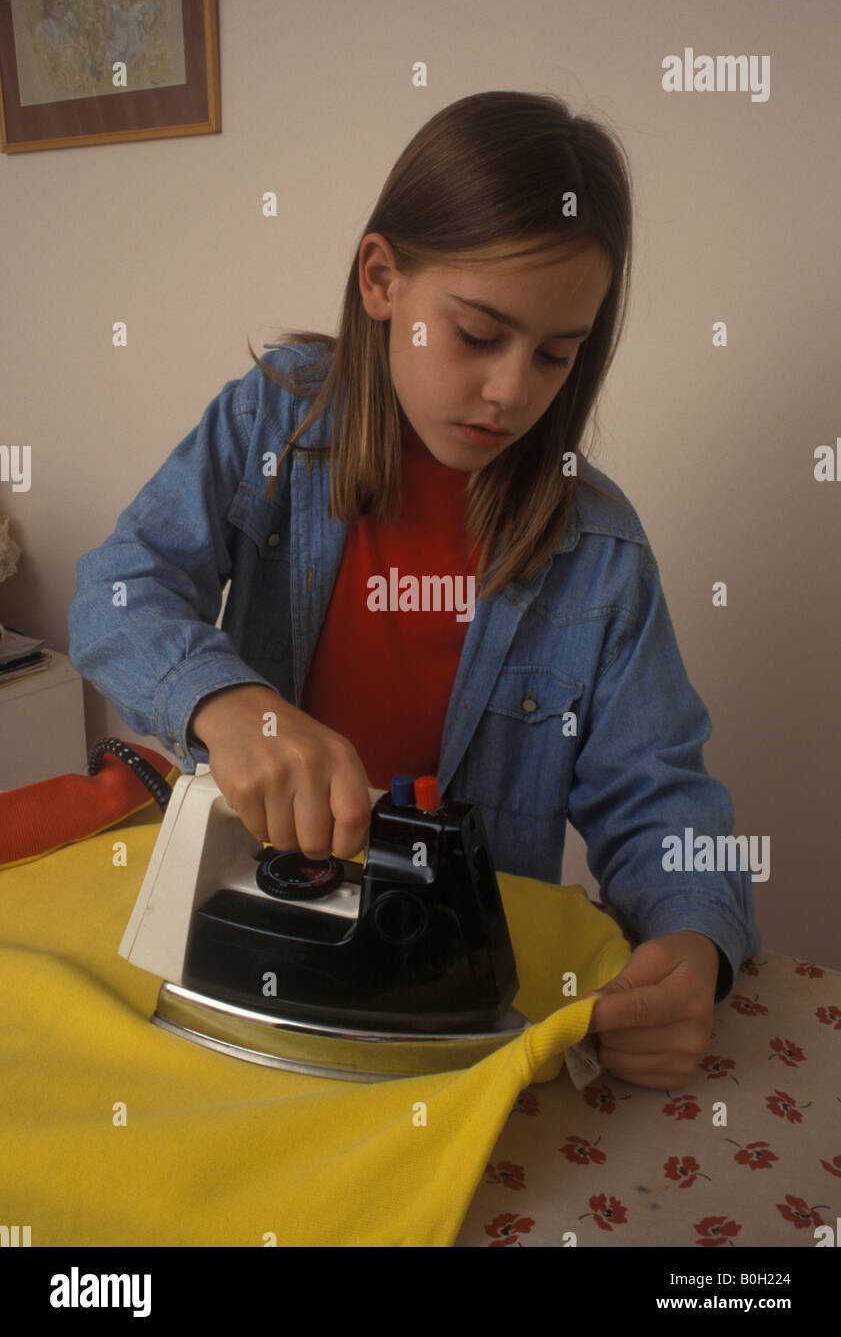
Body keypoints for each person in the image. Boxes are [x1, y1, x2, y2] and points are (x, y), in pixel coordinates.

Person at [68, 90, 760, 1090]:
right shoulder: (269, 425)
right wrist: (229, 702)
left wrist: (694, 944)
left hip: (449, 1003)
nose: (512, 391)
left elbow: (663, 801)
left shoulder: (599, 549)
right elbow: (115, 592)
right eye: (477, 334)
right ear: (382, 279)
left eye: (555, 356)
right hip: (243, 950)